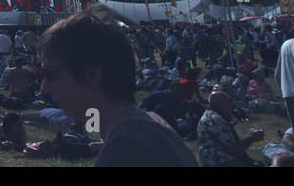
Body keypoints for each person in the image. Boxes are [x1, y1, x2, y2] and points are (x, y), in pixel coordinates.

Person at [39, 10, 197, 167]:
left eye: (51, 75)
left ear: (92, 75)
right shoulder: (149, 124)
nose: (44, 88)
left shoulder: (124, 149)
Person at [196, 91, 263, 167]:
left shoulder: (210, 115)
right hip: (219, 161)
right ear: (220, 104)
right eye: (228, 101)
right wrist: (252, 137)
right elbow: (234, 150)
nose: (230, 105)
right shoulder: (216, 119)